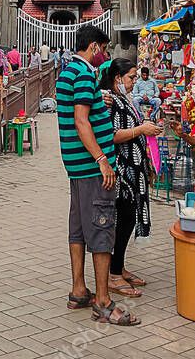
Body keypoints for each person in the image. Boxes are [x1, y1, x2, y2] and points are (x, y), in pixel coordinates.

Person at [56, 24, 140, 327]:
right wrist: (102, 159)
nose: (104, 56)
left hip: (78, 169)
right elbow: (81, 121)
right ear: (93, 47)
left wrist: (97, 100)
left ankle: (79, 290)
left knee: (78, 228)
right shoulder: (81, 74)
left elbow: (82, 110)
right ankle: (104, 303)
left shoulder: (70, 72)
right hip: (92, 169)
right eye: (102, 50)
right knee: (102, 228)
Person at [100, 59, 164, 299]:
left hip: (133, 168)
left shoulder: (123, 98)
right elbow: (110, 135)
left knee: (128, 218)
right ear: (118, 78)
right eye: (131, 77)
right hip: (121, 170)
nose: (135, 81)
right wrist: (140, 130)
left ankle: (119, 266)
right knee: (123, 218)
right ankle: (113, 274)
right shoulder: (109, 100)